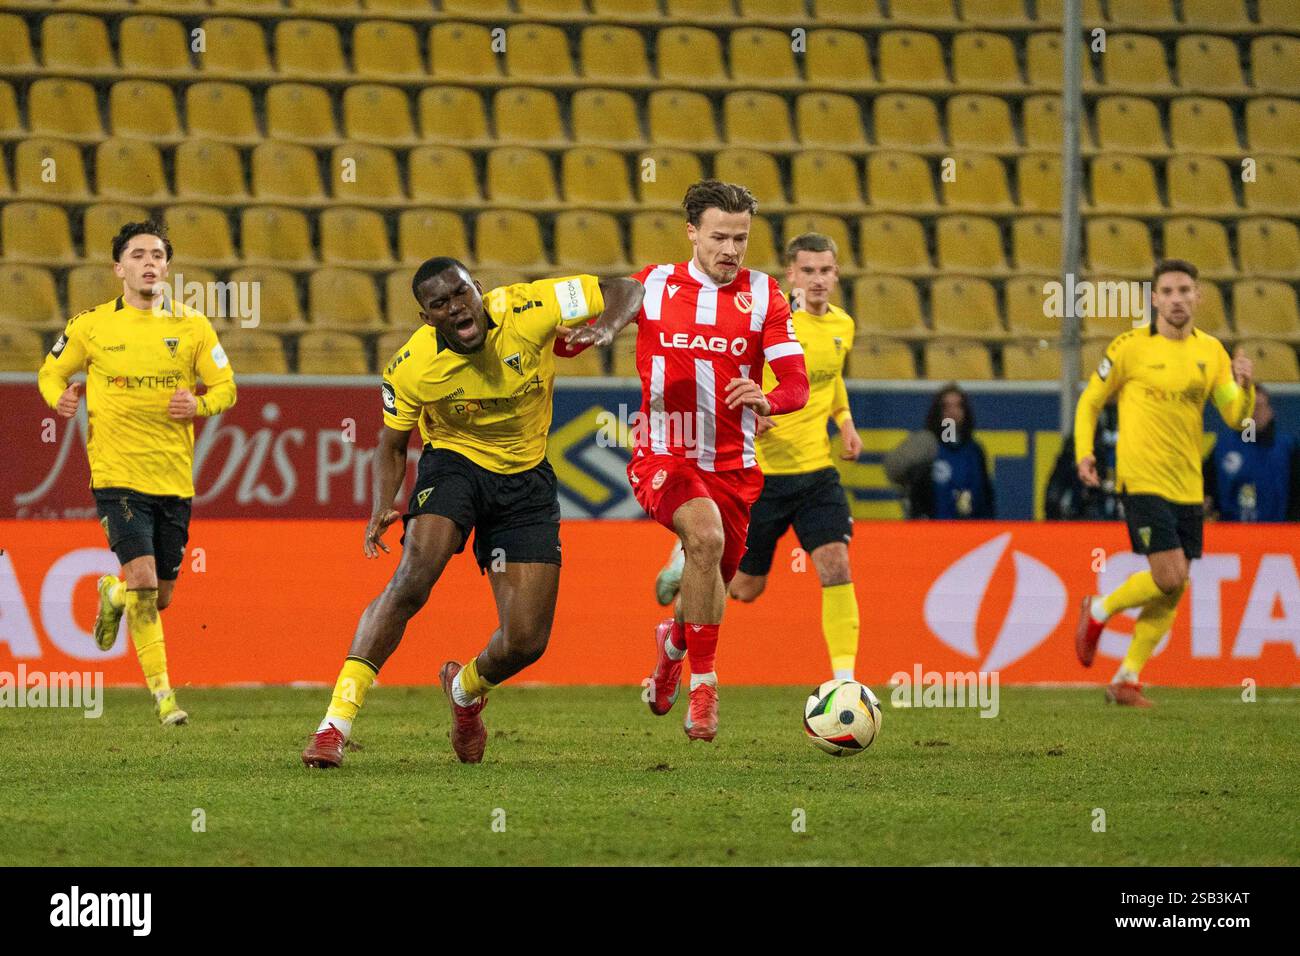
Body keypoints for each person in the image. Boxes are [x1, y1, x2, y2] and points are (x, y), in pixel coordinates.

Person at [301, 259, 642, 768]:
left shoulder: (530, 307)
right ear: (426, 317)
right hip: (454, 467)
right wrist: (382, 506)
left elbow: (625, 287)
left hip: (526, 480)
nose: (456, 307)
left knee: (526, 641)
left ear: (477, 290)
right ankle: (335, 724)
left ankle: (464, 691)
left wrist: (609, 324)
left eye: (461, 293)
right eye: (440, 303)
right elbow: (392, 445)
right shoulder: (411, 366)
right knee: (413, 578)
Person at [566, 180, 809, 742]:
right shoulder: (651, 285)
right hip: (663, 454)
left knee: (710, 575)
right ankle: (704, 691)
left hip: (735, 469)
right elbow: (578, 332)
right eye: (720, 237)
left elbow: (796, 382)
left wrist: (767, 398)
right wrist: (568, 338)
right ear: (692, 233)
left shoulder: (765, 295)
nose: (731, 249)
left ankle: (673, 647)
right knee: (703, 538)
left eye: (741, 238)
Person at [36, 220, 237, 726]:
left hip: (172, 480)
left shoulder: (192, 326)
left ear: (167, 267)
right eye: (139, 254)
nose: (149, 262)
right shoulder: (92, 326)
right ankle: (166, 698)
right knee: (145, 580)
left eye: (157, 255)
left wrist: (200, 402)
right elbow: (51, 369)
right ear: (119, 268)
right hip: (116, 475)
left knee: (159, 595)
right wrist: (55, 396)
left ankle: (112, 593)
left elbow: (228, 388)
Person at [654, 232, 863, 682]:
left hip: (814, 472)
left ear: (837, 274)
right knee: (742, 588)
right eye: (808, 271)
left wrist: (844, 421)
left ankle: (845, 682)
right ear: (790, 274)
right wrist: (756, 410)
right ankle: (688, 565)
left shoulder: (842, 326)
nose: (818, 280)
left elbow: (828, 380)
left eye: (825, 270)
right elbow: (724, 373)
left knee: (835, 562)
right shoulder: (770, 319)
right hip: (759, 474)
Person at [1074, 259, 1254, 707]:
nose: (1177, 299)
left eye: (1185, 290)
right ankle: (1099, 609)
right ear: (1154, 299)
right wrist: (1084, 451)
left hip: (1188, 485)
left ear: (1199, 297)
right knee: (1169, 575)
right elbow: (1090, 401)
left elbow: (1235, 415)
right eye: (1168, 291)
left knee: (1176, 586)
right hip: (1142, 480)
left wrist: (1244, 386)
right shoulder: (1129, 347)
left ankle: (1127, 677)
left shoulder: (1211, 352)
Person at [885, 385, 996, 519]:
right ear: (938, 411)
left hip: (971, 530)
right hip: (933, 530)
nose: (952, 412)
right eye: (946, 406)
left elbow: (985, 495)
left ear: (965, 411)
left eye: (958, 406)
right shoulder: (926, 444)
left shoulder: (974, 450)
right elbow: (893, 469)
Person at [1204, 384, 1300, 522]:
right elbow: (1207, 489)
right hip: (1230, 534)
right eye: (1249, 407)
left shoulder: (1288, 448)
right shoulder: (1222, 449)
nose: (1254, 413)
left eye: (1259, 407)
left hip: (1280, 534)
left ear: (1270, 412)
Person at [1046, 400, 1121, 520]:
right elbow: (1054, 494)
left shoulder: (1139, 438)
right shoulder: (1079, 443)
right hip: (1086, 516)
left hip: (1125, 517)